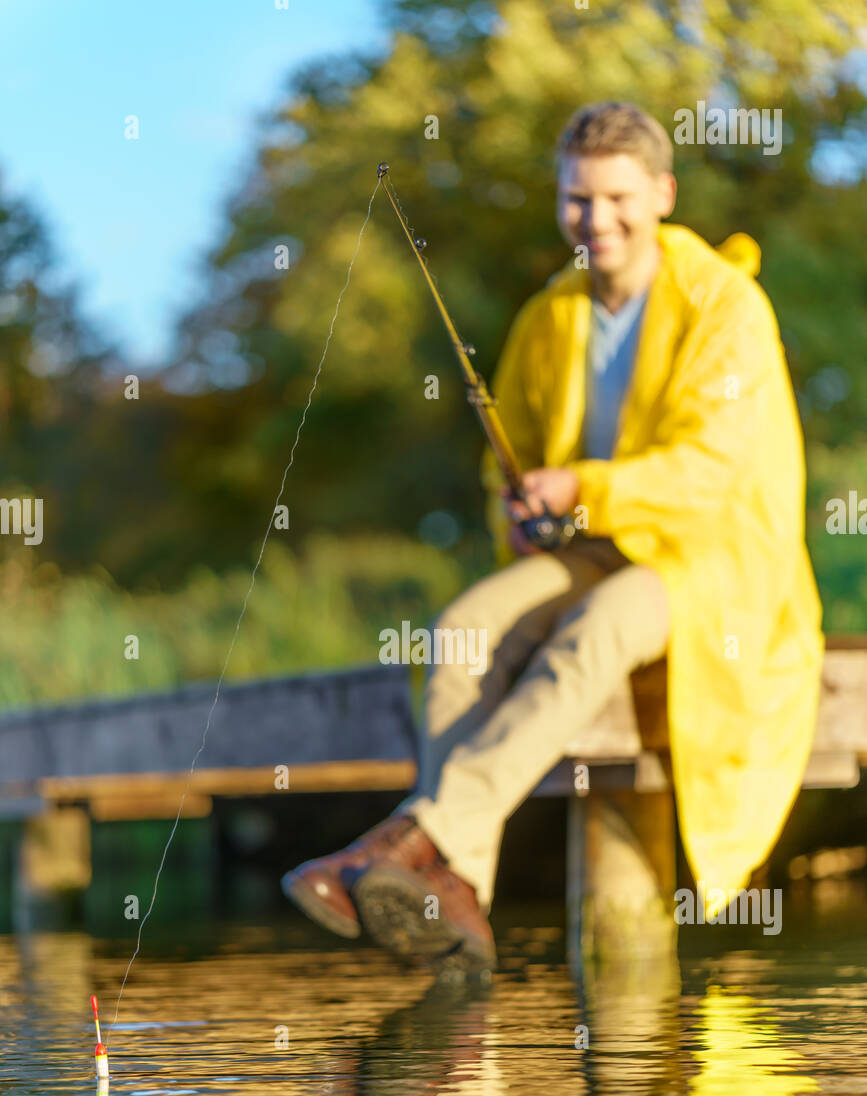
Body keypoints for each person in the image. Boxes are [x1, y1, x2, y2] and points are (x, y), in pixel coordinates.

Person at [281, 101, 823, 970]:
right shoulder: (549, 315)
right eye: (577, 198)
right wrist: (520, 506)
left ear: (662, 193)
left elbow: (710, 472)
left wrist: (582, 486)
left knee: (598, 629)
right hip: (588, 543)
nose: (595, 219)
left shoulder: (728, 307)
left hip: (706, 560)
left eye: (616, 198)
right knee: (460, 632)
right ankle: (459, 901)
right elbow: (512, 461)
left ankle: (418, 843)